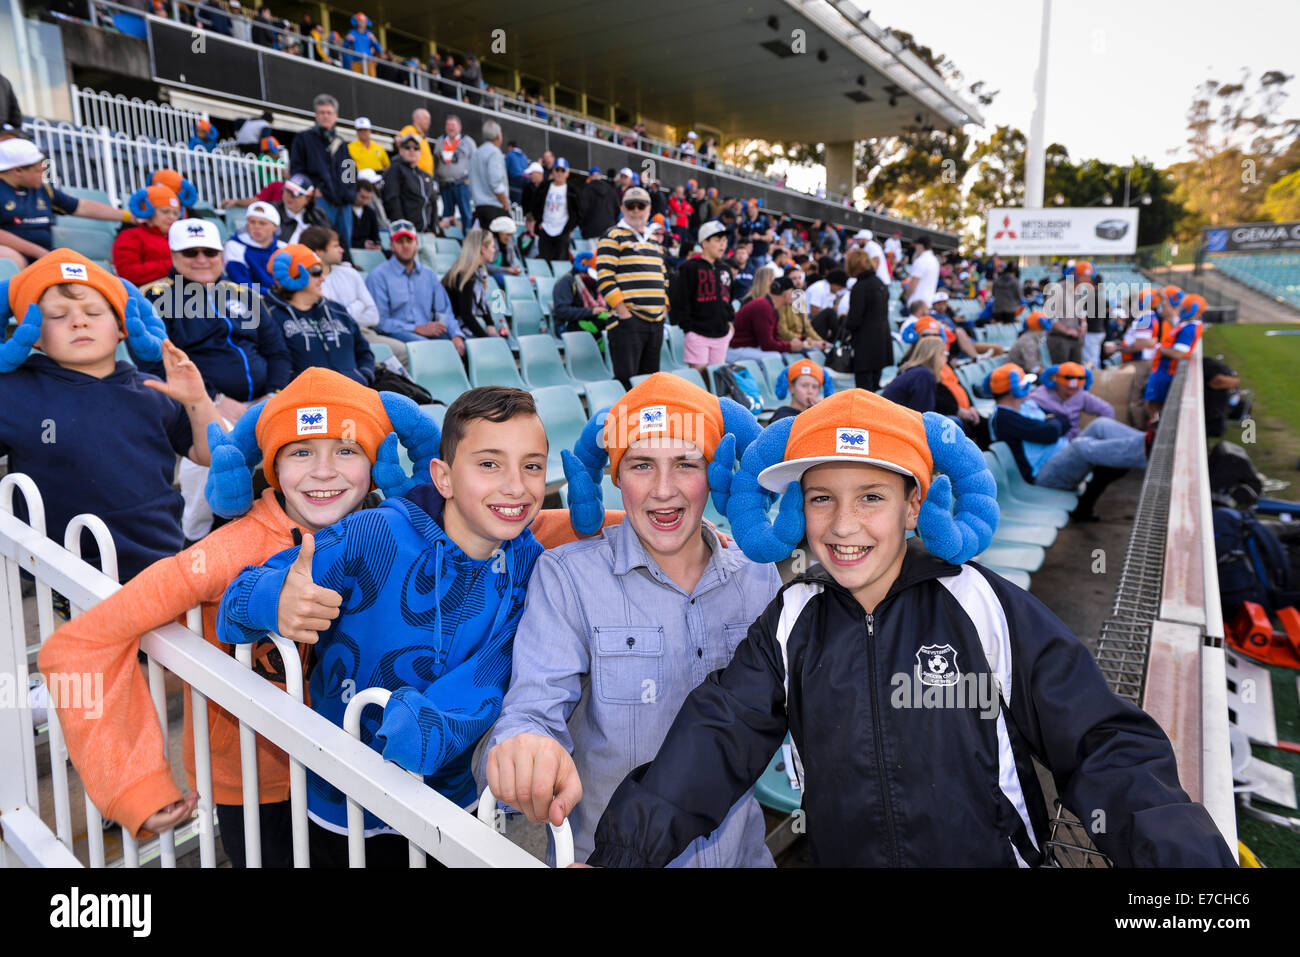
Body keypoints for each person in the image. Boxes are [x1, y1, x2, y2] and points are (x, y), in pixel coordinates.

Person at [586, 387, 1235, 868]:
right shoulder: (791, 620)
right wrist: (621, 854)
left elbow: (1102, 742)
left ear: (913, 504)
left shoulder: (983, 606)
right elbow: (713, 742)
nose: (843, 526)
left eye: (871, 496)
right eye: (822, 498)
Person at [38, 369, 438, 864]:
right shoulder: (227, 550)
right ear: (271, 465)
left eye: (347, 450)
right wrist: (136, 785)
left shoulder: (399, 532)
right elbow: (81, 644)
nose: (323, 471)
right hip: (261, 786)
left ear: (376, 462)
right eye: (301, 452)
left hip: (371, 774)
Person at [214, 387, 553, 866]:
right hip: (342, 795)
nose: (516, 486)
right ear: (444, 477)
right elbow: (236, 601)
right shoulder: (374, 532)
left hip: (450, 801)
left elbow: (496, 665)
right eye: (490, 464)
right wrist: (276, 601)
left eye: (532, 466)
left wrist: (427, 726)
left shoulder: (529, 564)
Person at [479, 374, 778, 866]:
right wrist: (528, 746)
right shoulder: (567, 577)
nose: (664, 490)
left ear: (716, 473)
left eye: (686, 464)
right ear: (616, 478)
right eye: (642, 465)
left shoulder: (758, 576)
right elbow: (534, 705)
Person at [0, 249, 221, 583]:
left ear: (122, 327)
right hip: (62, 575)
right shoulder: (14, 390)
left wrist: (198, 399)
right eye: (57, 316)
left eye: (93, 311)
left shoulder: (153, 389)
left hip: (160, 560)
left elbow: (206, 454)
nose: (78, 321)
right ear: (35, 336)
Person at [0, 138, 139, 268]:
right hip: (20, 254)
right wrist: (40, 253)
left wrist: (128, 216)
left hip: (44, 254)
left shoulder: (43, 189)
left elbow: (81, 207)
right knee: (9, 260)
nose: (44, 175)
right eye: (38, 171)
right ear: (17, 170)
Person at [263, 244, 374, 385]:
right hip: (309, 402)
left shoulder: (337, 310)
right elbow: (276, 364)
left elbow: (364, 351)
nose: (323, 278)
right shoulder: (270, 316)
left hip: (356, 394)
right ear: (294, 277)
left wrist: (363, 376)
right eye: (316, 272)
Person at [596, 187, 669, 388]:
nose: (636, 210)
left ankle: (644, 422)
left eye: (641, 206)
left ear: (649, 209)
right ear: (623, 208)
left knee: (650, 385)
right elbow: (604, 277)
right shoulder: (612, 235)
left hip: (656, 322)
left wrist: (664, 307)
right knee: (627, 384)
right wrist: (623, 312)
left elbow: (663, 276)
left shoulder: (654, 239)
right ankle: (626, 421)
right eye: (631, 206)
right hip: (628, 322)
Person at [364, 221, 463, 353]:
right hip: (396, 334)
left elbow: (444, 311)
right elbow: (380, 322)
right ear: (391, 246)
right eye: (399, 241)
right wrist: (416, 328)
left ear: (416, 243)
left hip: (428, 332)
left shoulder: (429, 275)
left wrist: (456, 335)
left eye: (409, 241)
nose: (405, 245)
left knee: (461, 346)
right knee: (431, 349)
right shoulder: (378, 276)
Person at [299, 226, 394, 361]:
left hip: (364, 333)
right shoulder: (307, 281)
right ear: (319, 252)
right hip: (330, 339)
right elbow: (326, 323)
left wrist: (340, 314)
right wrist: (357, 306)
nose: (342, 250)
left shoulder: (350, 273)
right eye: (336, 246)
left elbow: (374, 316)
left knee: (401, 351)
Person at [288, 94, 356, 250]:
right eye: (321, 112)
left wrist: (350, 193)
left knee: (344, 247)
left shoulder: (342, 144)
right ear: (316, 115)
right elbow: (297, 169)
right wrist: (312, 190)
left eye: (329, 112)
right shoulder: (304, 139)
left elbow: (350, 170)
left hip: (343, 204)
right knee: (321, 244)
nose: (325, 116)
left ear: (336, 116)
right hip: (321, 201)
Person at [671, 221, 733, 372]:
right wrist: (688, 329)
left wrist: (730, 322)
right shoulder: (689, 267)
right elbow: (680, 300)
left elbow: (729, 299)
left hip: (721, 333)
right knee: (699, 381)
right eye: (717, 240)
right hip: (697, 333)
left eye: (724, 241)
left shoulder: (725, 269)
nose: (722, 245)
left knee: (716, 379)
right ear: (704, 243)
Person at [1143, 293, 1207, 419]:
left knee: (1153, 405)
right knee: (1152, 403)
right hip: (1162, 370)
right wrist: (1164, 300)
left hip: (1165, 371)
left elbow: (1179, 353)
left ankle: (1152, 432)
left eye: (1185, 307)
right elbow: (1170, 316)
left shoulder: (1189, 328)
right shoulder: (1187, 324)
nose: (1181, 309)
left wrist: (1157, 347)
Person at [443, 227, 510, 343]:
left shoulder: (477, 272)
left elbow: (481, 303)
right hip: (455, 332)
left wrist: (490, 323)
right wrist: (486, 339)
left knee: (503, 343)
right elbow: (466, 315)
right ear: (483, 249)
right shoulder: (466, 275)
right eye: (492, 247)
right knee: (500, 346)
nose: (494, 250)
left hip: (462, 327)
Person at [111, 184, 181, 286]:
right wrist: (177, 264)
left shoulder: (181, 237)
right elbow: (128, 273)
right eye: (165, 211)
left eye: (176, 213)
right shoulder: (130, 236)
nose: (171, 217)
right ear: (149, 212)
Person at [843, 247, 891, 391]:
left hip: (865, 345)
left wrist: (844, 322)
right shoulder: (879, 282)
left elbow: (854, 320)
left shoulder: (860, 287)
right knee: (875, 390)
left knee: (864, 391)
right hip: (882, 341)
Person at [729, 275, 805, 363]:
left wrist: (793, 343)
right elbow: (767, 345)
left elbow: (774, 338)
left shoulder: (770, 305)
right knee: (775, 357)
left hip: (749, 347)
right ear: (786, 294)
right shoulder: (763, 307)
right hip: (735, 349)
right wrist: (790, 346)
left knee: (785, 355)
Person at [383, 130, 437, 233]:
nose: (412, 150)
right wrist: (402, 226)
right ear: (401, 150)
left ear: (420, 152)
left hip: (426, 233)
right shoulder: (395, 169)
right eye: (407, 147)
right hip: (405, 233)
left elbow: (433, 203)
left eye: (416, 148)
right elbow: (392, 199)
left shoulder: (426, 176)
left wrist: (433, 229)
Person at [223, 200, 286, 288]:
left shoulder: (284, 248)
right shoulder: (234, 246)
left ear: (275, 227)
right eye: (252, 222)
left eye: (262, 223)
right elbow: (241, 282)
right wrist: (272, 295)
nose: (256, 227)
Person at [552, 251, 611, 337]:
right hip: (568, 325)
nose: (594, 279)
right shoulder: (566, 282)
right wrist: (591, 312)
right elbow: (562, 311)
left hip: (589, 319)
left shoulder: (596, 284)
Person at [531, 157, 580, 261]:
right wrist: (539, 221)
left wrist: (569, 228)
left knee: (562, 260)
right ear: (553, 171)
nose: (559, 173)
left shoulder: (572, 190)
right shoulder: (544, 187)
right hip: (546, 228)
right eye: (557, 170)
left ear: (567, 173)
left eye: (563, 170)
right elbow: (535, 204)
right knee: (544, 260)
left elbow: (578, 211)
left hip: (562, 230)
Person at [433, 114, 475, 228]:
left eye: (453, 125)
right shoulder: (440, 141)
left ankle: (468, 240)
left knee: (466, 214)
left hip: (461, 184)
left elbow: (475, 162)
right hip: (444, 184)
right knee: (446, 215)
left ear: (459, 127)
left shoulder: (468, 142)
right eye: (448, 125)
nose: (450, 128)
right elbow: (435, 162)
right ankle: (448, 240)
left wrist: (470, 179)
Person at [468, 119, 510, 231]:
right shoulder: (495, 152)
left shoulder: (476, 153)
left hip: (479, 208)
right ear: (498, 136)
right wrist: (505, 204)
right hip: (495, 209)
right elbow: (495, 182)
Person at [275, 172, 332, 245]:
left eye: (294, 194)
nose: (289, 196)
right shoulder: (273, 210)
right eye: (286, 191)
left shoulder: (318, 215)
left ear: (308, 198)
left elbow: (329, 241)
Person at [770, 357, 832, 422]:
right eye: (804, 386)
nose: (810, 391)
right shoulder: (782, 416)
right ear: (791, 388)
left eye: (814, 387)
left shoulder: (817, 412)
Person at [579, 166, 620, 241]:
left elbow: (582, 210)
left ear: (590, 176)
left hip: (591, 230)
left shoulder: (587, 190)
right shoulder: (610, 189)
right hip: (609, 229)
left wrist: (582, 227)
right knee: (607, 252)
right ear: (600, 176)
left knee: (594, 252)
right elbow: (617, 209)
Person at [1007, 310, 1050, 376]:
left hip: (1024, 371)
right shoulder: (1028, 341)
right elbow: (1033, 368)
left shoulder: (1032, 337)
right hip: (1018, 375)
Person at [902, 235, 939, 312]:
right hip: (928, 303)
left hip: (916, 304)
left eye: (916, 245)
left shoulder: (921, 260)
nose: (915, 248)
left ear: (921, 246)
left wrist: (908, 298)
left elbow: (913, 283)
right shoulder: (935, 261)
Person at [395, 108, 435, 176]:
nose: (429, 121)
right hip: (416, 174)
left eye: (429, 119)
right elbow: (398, 140)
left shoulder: (423, 137)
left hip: (426, 177)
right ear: (416, 118)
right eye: (426, 118)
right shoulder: (410, 129)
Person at [342, 12, 381, 76]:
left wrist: (374, 40)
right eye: (360, 21)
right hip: (356, 61)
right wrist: (346, 40)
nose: (362, 22)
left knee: (371, 82)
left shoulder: (369, 34)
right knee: (356, 82)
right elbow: (344, 48)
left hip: (368, 61)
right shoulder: (352, 33)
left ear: (366, 22)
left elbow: (379, 50)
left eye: (364, 21)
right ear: (357, 22)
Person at [485, 215, 524, 279]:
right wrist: (506, 269)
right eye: (507, 234)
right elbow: (486, 266)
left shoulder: (509, 244)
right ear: (499, 232)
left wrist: (515, 269)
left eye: (511, 235)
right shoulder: (491, 244)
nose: (509, 238)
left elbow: (511, 263)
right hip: (493, 276)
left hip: (508, 275)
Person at [349, 177, 382, 250]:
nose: (365, 201)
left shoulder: (370, 213)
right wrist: (362, 244)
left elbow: (375, 236)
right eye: (362, 197)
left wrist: (376, 244)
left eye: (368, 198)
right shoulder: (346, 212)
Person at [504, 140, 529, 207]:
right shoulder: (524, 155)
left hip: (515, 180)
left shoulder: (510, 154)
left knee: (515, 203)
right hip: (526, 179)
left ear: (510, 147)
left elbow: (505, 169)